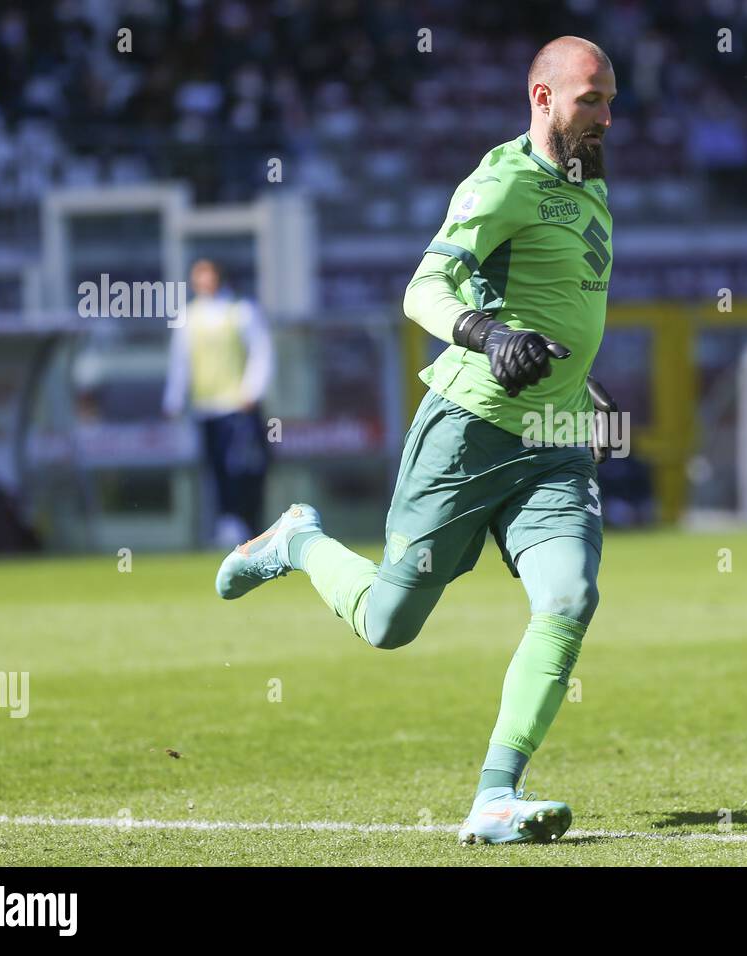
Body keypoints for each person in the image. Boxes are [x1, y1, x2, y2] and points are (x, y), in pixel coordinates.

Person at [214, 36, 617, 845]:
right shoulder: (502, 180)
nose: (606, 117)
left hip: (556, 440)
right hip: (468, 432)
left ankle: (496, 795)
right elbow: (422, 287)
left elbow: (569, 313)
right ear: (542, 99)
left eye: (610, 100)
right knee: (389, 624)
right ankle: (299, 540)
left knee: (569, 597)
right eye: (590, 101)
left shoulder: (591, 188)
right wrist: (484, 331)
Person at [163, 259, 275, 548]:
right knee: (217, 469)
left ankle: (247, 524)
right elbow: (181, 362)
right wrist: (174, 399)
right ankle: (228, 523)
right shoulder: (189, 316)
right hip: (206, 407)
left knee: (243, 468)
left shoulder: (241, 310)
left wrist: (252, 390)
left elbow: (261, 351)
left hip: (237, 407)